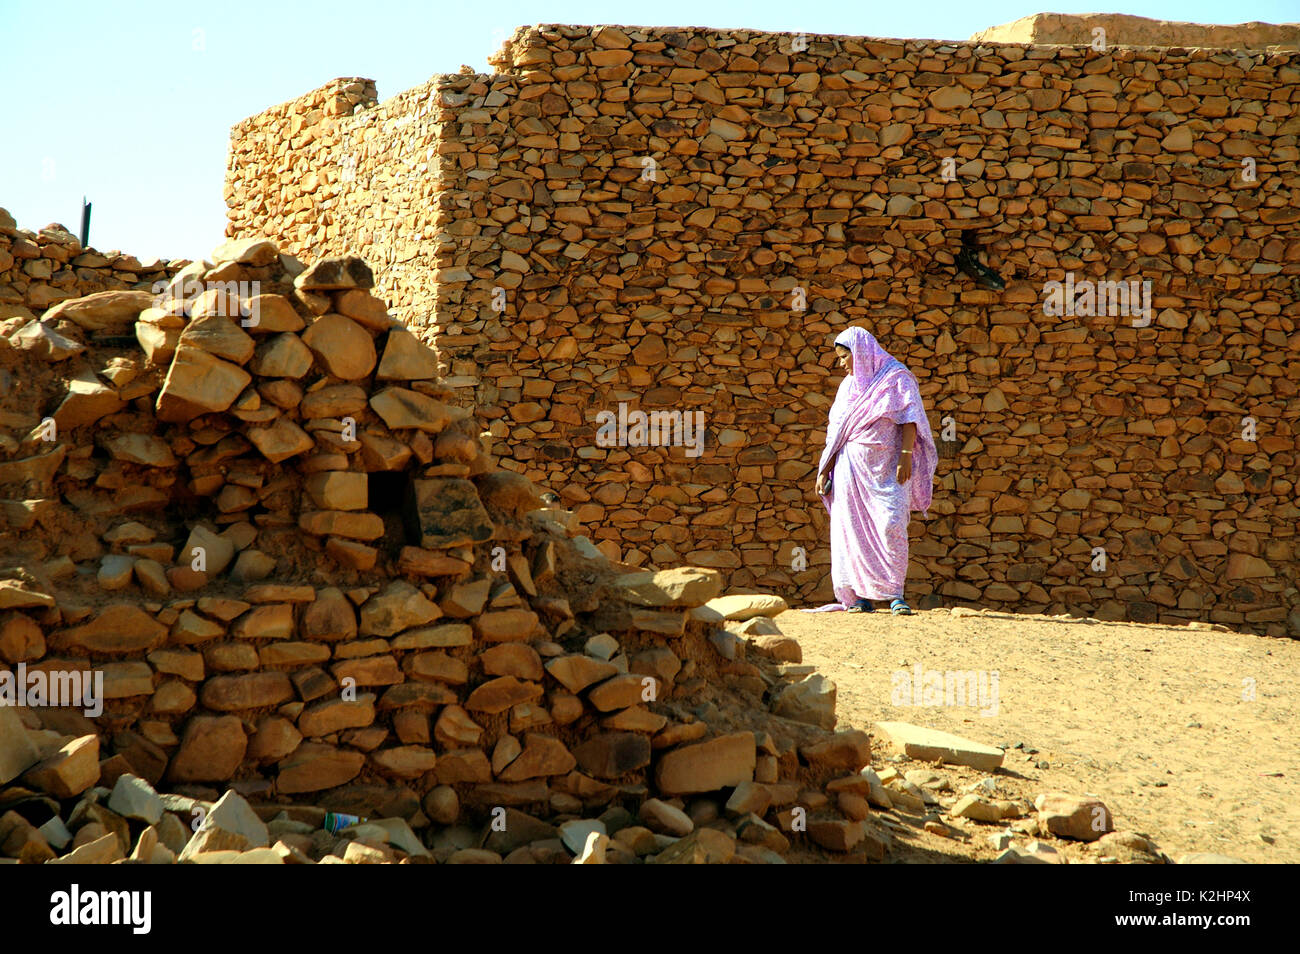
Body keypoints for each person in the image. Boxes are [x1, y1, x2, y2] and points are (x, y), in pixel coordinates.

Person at [813, 326, 937, 615]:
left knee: (891, 523)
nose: (841, 363)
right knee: (850, 531)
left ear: (861, 352)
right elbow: (836, 434)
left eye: (845, 357)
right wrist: (824, 470)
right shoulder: (846, 388)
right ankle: (857, 597)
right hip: (849, 470)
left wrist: (905, 457)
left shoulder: (895, 378)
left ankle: (894, 594)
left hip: (888, 469)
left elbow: (910, 417)